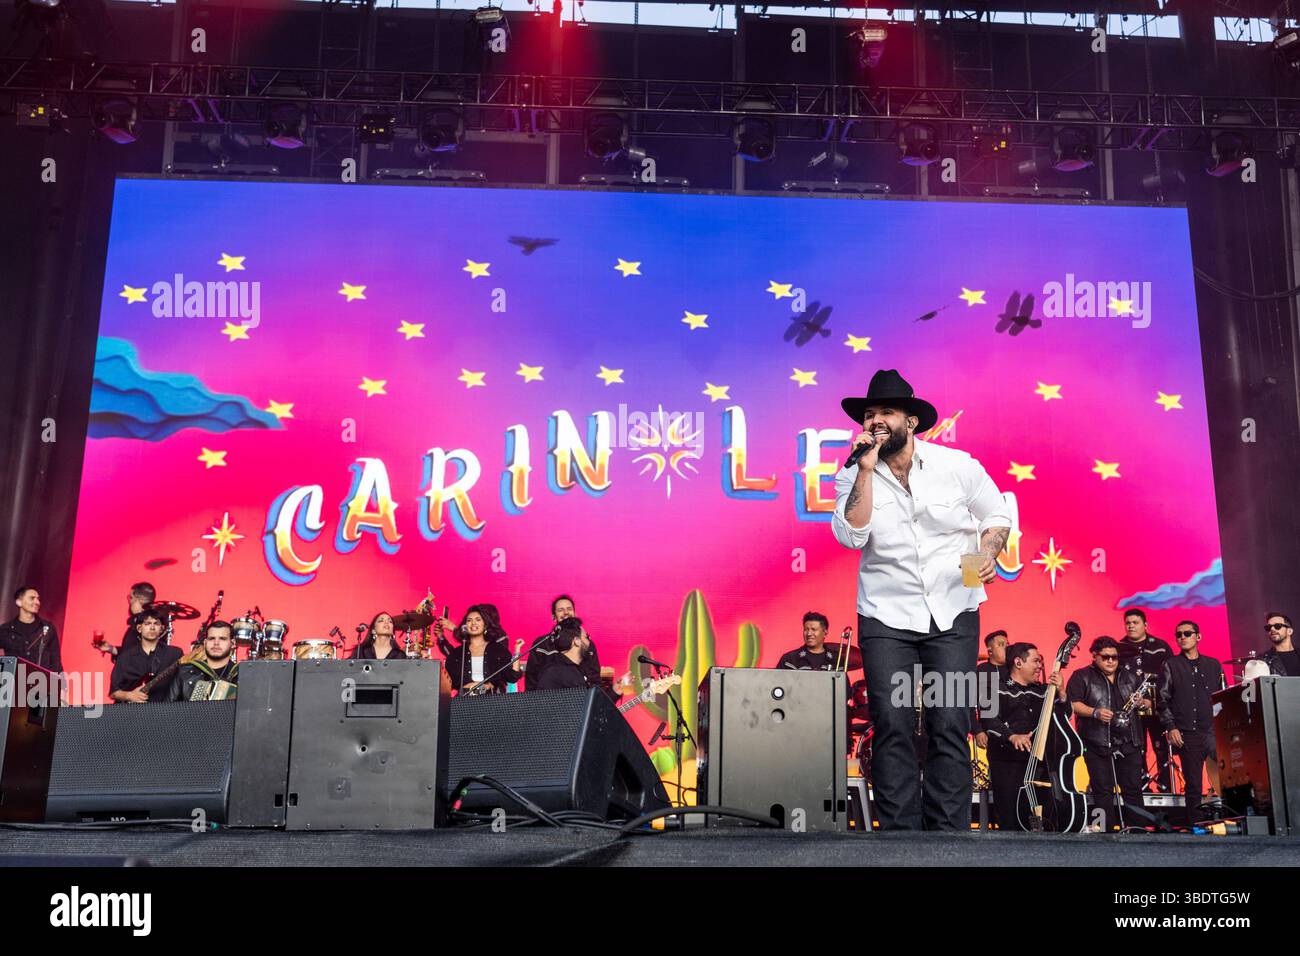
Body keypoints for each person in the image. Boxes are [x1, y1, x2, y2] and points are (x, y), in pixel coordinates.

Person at [832, 369, 1012, 831]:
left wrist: (984, 556)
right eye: (869, 414)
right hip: (887, 615)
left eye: (885, 413)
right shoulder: (854, 473)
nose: (874, 421)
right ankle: (899, 837)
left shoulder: (957, 466)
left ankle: (948, 837)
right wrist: (866, 470)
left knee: (949, 721)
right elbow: (851, 536)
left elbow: (995, 514)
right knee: (891, 723)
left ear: (910, 421)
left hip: (953, 610)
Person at [982, 642, 1065, 831]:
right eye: (1036, 661)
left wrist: (1061, 692)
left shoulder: (1043, 691)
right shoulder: (994, 688)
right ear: (1018, 662)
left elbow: (1063, 717)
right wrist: (1011, 737)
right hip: (1007, 763)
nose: (1040, 666)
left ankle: (1036, 848)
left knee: (1036, 815)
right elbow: (989, 721)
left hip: (1037, 763)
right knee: (1010, 815)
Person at [1068, 636, 1146, 830]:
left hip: (1129, 742)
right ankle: (1103, 832)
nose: (1111, 660)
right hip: (1097, 743)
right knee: (1101, 791)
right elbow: (1071, 704)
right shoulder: (1081, 676)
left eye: (1115, 657)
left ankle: (1138, 832)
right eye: (1106, 657)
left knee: (1133, 791)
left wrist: (1142, 703)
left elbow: (1150, 704)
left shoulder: (1130, 676)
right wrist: (1094, 713)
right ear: (1094, 656)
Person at [1157, 621, 1224, 827]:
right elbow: (1162, 699)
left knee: (1228, 775)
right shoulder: (1171, 665)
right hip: (1187, 732)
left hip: (1213, 730)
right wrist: (1171, 727)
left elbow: (1223, 695)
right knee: (1193, 783)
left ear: (1198, 636)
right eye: (1178, 635)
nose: (1182, 637)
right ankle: (1197, 826)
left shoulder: (1213, 665)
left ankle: (1232, 819)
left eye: (1187, 633)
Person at [1117, 607, 1173, 791]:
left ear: (1145, 625)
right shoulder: (1118, 648)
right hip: (1131, 710)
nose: (1131, 626)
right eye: (1128, 623)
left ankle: (1166, 785)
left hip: (1158, 709)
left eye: (1135, 622)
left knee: (1161, 748)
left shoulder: (1161, 647)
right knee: (1136, 750)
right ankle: (1141, 787)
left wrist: (1152, 700)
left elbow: (1171, 679)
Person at [437, 604, 523, 694]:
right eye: (469, 620)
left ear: (485, 625)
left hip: (491, 700)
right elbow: (447, 683)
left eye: (478, 620)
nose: (473, 623)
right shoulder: (458, 653)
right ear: (465, 626)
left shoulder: (497, 649)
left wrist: (517, 652)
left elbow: (512, 677)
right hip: (464, 701)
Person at [525, 595, 603, 690]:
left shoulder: (586, 643)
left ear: (575, 614)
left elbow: (595, 678)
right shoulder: (541, 644)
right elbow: (531, 678)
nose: (566, 612)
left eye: (569, 609)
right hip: (546, 698)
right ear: (553, 617)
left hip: (581, 697)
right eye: (561, 610)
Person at [110, 610, 183, 703]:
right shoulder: (125, 657)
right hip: (133, 713)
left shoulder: (175, 654)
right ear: (139, 628)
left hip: (165, 712)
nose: (152, 627)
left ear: (162, 628)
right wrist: (129, 695)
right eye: (147, 623)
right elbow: (113, 692)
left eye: (156, 624)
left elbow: (183, 684)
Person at [169, 622, 239, 701]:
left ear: (232, 643)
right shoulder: (184, 672)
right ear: (205, 643)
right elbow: (167, 710)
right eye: (211, 638)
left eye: (222, 639)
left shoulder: (242, 675)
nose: (216, 643)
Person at [1, 586, 64, 673]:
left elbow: (55, 661)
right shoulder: (6, 629)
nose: (37, 602)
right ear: (19, 602)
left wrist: (60, 684)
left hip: (40, 682)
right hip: (12, 682)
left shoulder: (47, 628)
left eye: (38, 599)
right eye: (32, 598)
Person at [971, 629, 1009, 748]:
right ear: (989, 650)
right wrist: (977, 730)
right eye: (1001, 644)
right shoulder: (980, 671)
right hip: (990, 735)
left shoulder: (1014, 670)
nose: (1006, 647)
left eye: (1007, 644)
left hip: (1015, 733)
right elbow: (968, 705)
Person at [534, 618, 595, 690]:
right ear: (576, 641)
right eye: (586, 637)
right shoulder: (561, 674)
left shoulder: (554, 669)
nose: (589, 642)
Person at [776, 612, 840, 670]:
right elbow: (776, 682)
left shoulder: (836, 661)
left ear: (825, 633)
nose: (809, 633)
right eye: (806, 629)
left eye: (813, 629)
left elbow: (843, 682)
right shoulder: (789, 660)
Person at [1262, 612, 1300, 676]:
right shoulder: (1263, 660)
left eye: (1277, 626)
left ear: (1289, 631)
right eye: (1268, 627)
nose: (1272, 629)